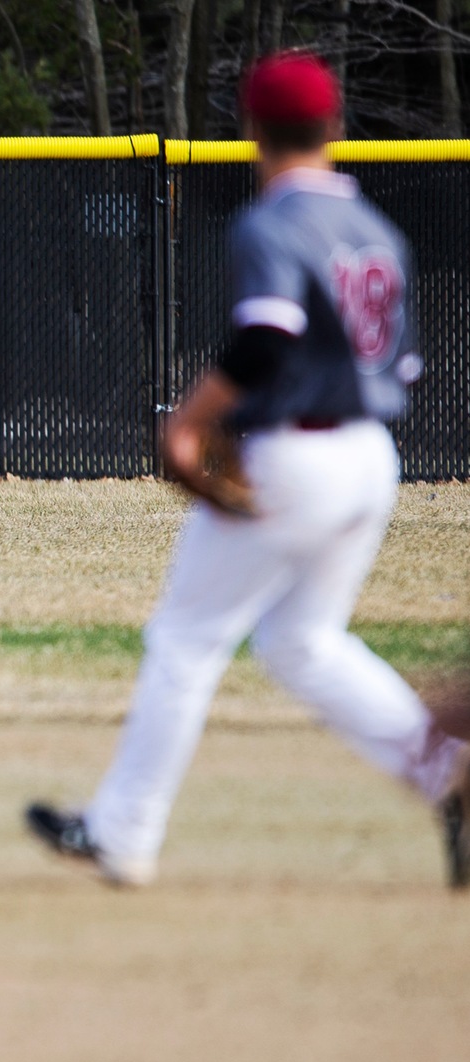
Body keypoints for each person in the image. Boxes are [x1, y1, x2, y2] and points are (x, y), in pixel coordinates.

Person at [25, 51, 469, 889]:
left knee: (187, 638)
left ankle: (121, 834)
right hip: (369, 456)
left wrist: (190, 419)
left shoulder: (270, 224)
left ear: (251, 130)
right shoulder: (379, 232)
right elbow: (402, 368)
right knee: (301, 641)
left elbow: (264, 339)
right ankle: (444, 770)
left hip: (294, 453)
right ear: (335, 128)